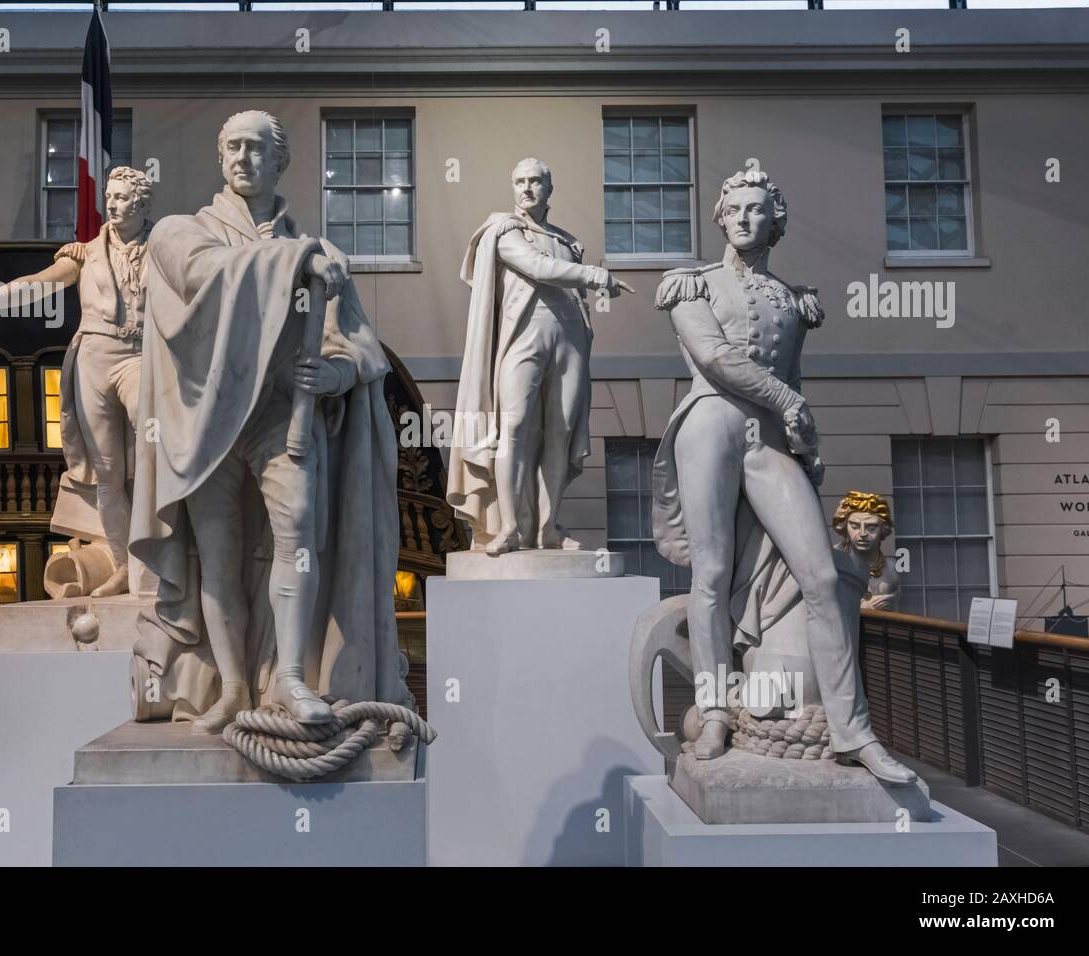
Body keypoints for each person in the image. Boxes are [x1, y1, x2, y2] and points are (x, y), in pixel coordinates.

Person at [129, 110, 407, 733]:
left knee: (300, 534)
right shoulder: (180, 232)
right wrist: (298, 258)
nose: (242, 158)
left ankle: (289, 678)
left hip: (283, 419)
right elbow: (208, 275)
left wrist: (333, 375)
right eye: (231, 146)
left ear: (280, 161)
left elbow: (360, 346)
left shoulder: (322, 256)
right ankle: (230, 687)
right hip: (203, 423)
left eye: (256, 148)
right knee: (217, 556)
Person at [651, 167, 915, 784]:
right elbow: (715, 358)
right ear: (720, 219)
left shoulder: (794, 301)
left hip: (769, 440)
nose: (743, 218)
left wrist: (805, 441)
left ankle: (852, 732)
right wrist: (789, 403)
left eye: (755, 209)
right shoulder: (691, 285)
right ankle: (714, 707)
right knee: (711, 572)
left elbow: (791, 383)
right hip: (711, 422)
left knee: (823, 576)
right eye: (733, 209)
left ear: (776, 220)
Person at [0, 166, 153, 597]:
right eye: (110, 197)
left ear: (141, 203)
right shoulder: (84, 253)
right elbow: (40, 284)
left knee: (156, 441)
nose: (112, 204)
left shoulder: (166, 248)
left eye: (121, 197)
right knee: (108, 475)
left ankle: (161, 556)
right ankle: (123, 566)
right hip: (95, 358)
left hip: (140, 357)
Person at [448, 158, 631, 554]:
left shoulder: (566, 240)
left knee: (561, 433)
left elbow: (558, 269)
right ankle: (510, 527)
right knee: (511, 429)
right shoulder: (503, 229)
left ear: (549, 188)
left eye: (535, 181)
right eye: (520, 181)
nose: (527, 188)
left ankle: (548, 528)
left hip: (569, 340)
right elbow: (537, 266)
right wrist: (595, 275)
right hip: (523, 340)